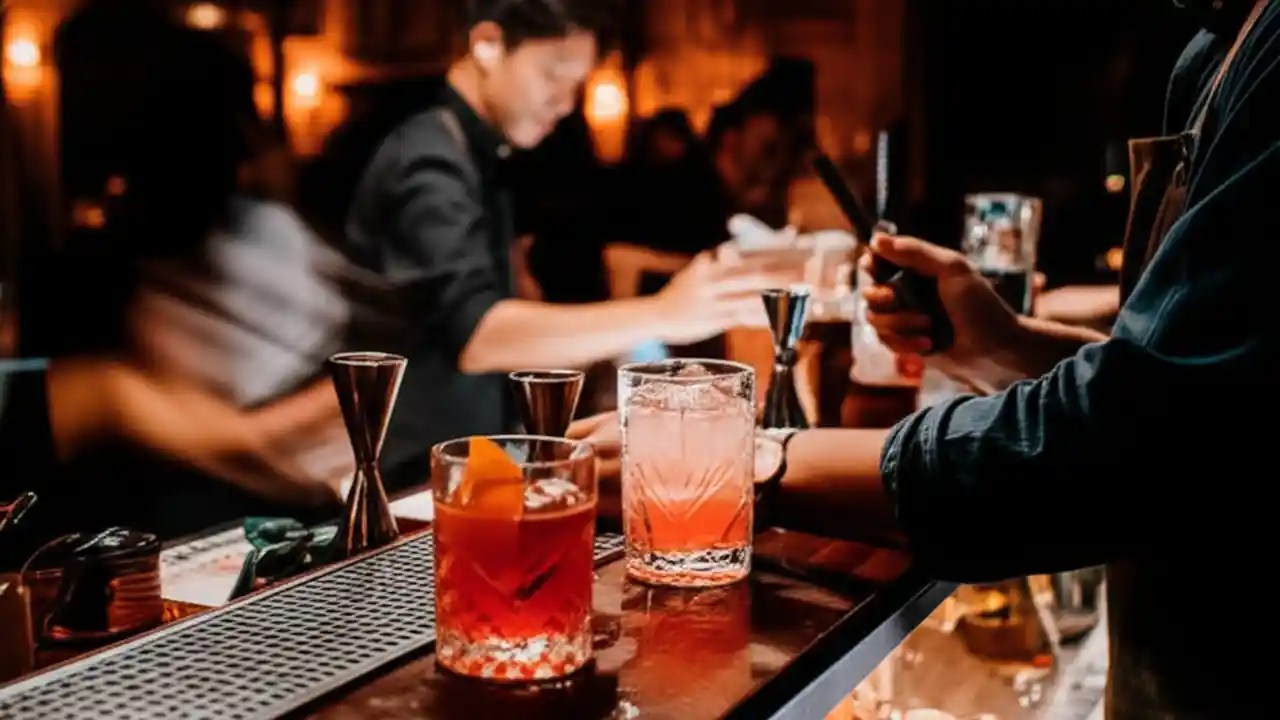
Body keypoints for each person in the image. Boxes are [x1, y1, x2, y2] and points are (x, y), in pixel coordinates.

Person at [570, 1, 1277, 715]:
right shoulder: (1213, 49)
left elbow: (1147, 445)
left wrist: (750, 462)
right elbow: (1184, 386)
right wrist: (1004, 347)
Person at [345, 0, 788, 489]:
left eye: (576, 85)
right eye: (553, 75)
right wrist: (664, 312)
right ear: (488, 44)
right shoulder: (430, 159)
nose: (565, 102)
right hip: (415, 482)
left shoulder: (475, 154)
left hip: (472, 467)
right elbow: (477, 337)